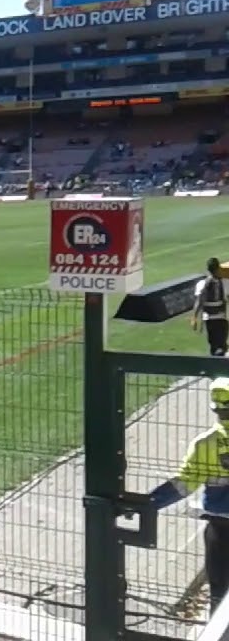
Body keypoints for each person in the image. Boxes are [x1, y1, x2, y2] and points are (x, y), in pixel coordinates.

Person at [146, 378, 229, 614]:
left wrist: (146, 504)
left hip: (221, 529)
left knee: (220, 593)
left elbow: (183, 484)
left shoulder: (206, 444)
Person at [193, 257, 228, 356]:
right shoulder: (224, 282)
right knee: (220, 346)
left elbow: (198, 302)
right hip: (220, 318)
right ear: (217, 269)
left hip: (209, 319)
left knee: (215, 345)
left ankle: (216, 362)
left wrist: (194, 318)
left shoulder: (202, 284)